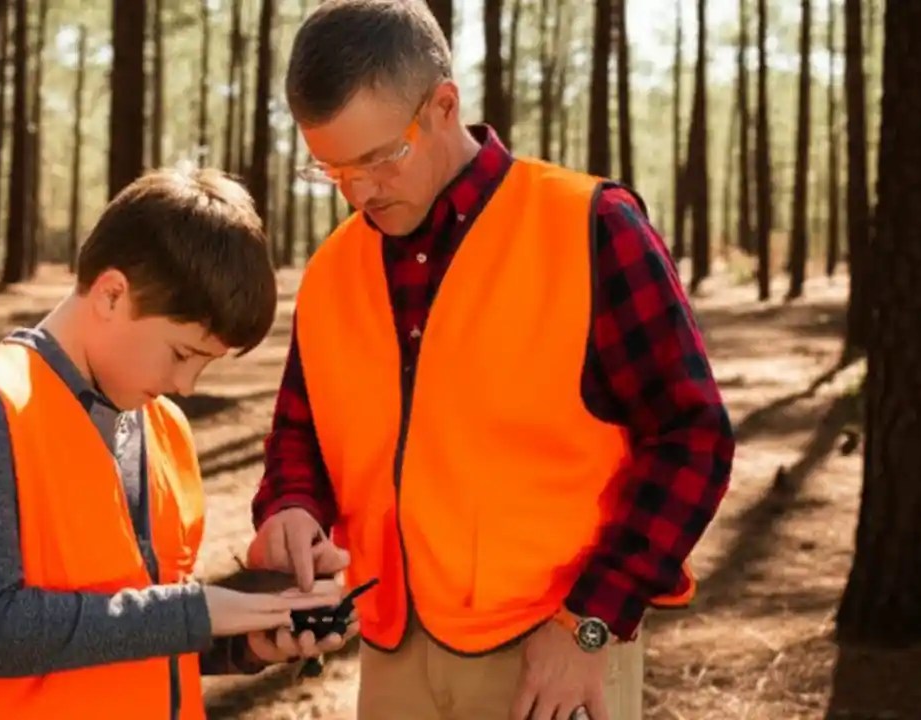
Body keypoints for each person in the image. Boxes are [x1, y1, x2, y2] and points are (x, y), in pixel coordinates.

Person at [245, 1, 736, 719]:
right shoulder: (331, 271)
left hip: (552, 654)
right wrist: (289, 506)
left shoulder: (591, 227)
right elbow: (300, 433)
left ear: (444, 106)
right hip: (391, 657)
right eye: (332, 169)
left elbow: (693, 437)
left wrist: (589, 623)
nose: (359, 193)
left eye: (380, 159)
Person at [0, 167, 354, 720]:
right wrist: (201, 612)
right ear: (112, 293)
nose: (187, 386)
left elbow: (136, 627)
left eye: (206, 363)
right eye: (182, 354)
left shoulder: (162, 425)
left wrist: (246, 633)